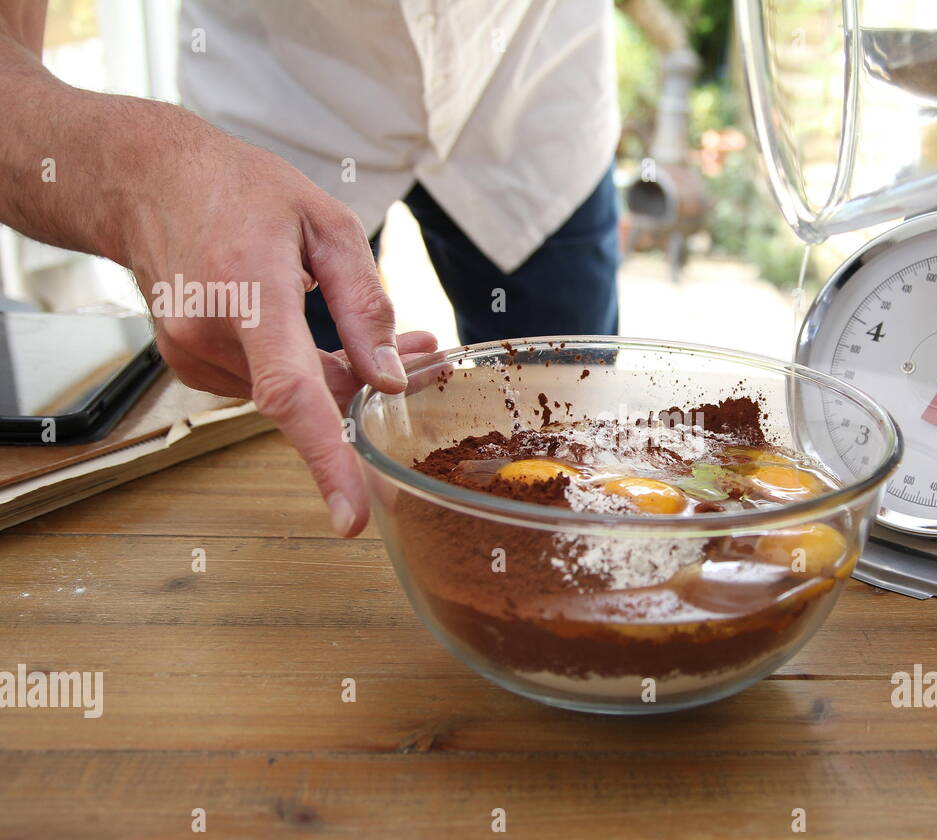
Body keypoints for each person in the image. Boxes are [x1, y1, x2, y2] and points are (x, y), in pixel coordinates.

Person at [0, 0, 620, 537]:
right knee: (298, 429)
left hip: (534, 99)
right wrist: (146, 175)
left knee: (579, 431)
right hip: (274, 124)